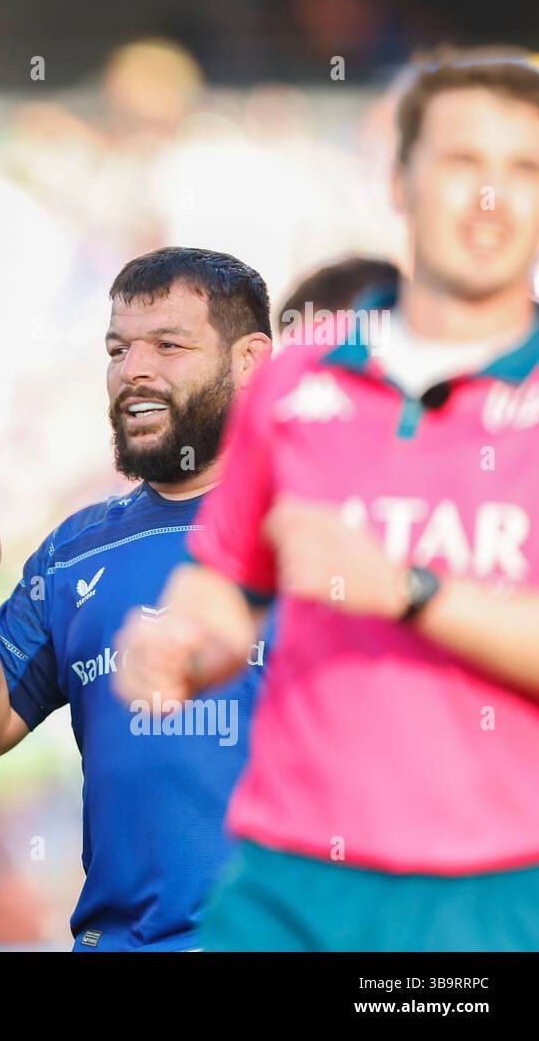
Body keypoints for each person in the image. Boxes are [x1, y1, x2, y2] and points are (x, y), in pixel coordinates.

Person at [115, 48, 539, 951]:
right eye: (464, 163)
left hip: (495, 889)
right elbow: (226, 576)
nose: (492, 200)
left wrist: (411, 591)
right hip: (289, 878)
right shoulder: (301, 376)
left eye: (525, 169)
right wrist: (186, 636)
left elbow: (386, 584)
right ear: (401, 180)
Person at [0, 246, 273, 950]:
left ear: (250, 362)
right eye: (118, 348)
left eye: (168, 345)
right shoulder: (74, 550)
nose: (132, 370)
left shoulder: (319, 528)